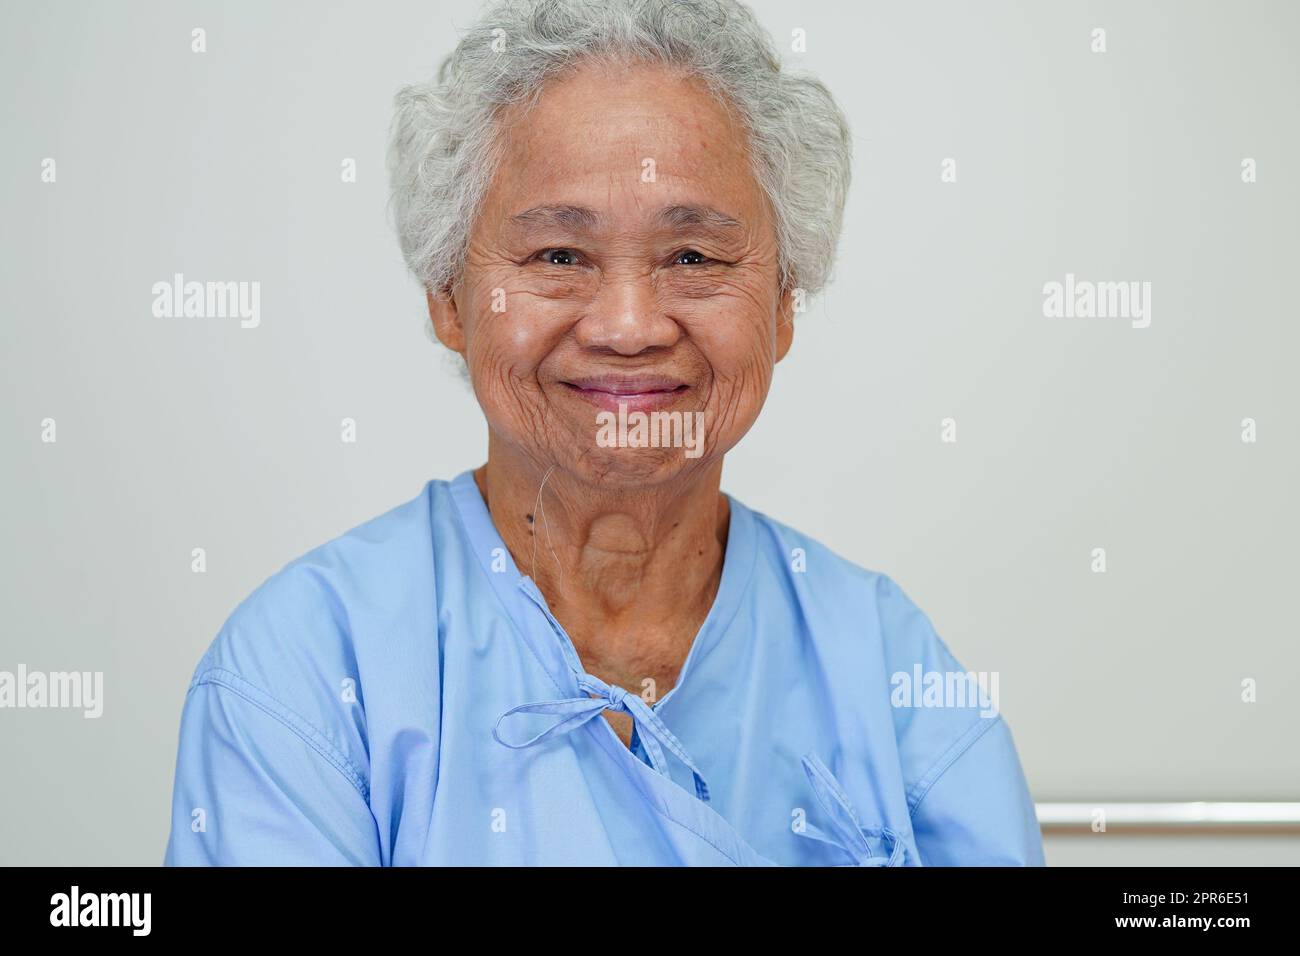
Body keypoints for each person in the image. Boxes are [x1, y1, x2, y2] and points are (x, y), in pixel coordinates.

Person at [164, 0, 1044, 866]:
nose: (629, 326)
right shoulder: (307, 668)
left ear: (784, 304)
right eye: (558, 256)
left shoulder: (884, 662)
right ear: (447, 297)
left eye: (693, 257)